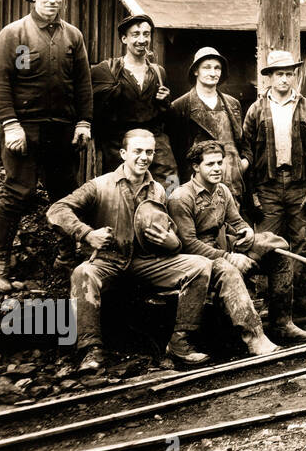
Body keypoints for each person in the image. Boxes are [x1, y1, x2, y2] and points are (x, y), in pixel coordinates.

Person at [47, 129, 213, 371]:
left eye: (149, 152)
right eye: (137, 151)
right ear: (123, 153)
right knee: (83, 273)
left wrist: (171, 241)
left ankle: (179, 342)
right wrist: (87, 234)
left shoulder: (158, 190)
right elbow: (57, 210)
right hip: (109, 261)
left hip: (147, 262)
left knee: (200, 265)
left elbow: (173, 236)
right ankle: (91, 350)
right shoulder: (100, 185)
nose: (144, 157)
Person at [0, 0, 93, 292]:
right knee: (20, 191)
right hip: (25, 129)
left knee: (65, 193)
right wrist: (10, 124)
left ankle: (66, 255)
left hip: (61, 130)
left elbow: (83, 84)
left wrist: (84, 122)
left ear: (64, 0)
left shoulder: (73, 36)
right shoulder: (14, 34)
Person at [167, 140, 292, 352]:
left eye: (220, 163)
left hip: (222, 246)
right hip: (198, 260)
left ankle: (282, 323)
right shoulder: (181, 197)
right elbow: (188, 244)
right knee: (229, 270)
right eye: (210, 164)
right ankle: (255, 338)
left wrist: (247, 231)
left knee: (277, 251)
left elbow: (236, 222)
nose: (217, 169)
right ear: (196, 167)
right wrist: (229, 257)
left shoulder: (222, 190)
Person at [240, 50, 306, 302]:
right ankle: (271, 298)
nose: (285, 79)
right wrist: (253, 193)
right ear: (269, 77)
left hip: (299, 185)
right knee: (267, 243)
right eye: (279, 74)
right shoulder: (256, 110)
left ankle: (301, 298)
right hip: (268, 186)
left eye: (289, 74)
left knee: (302, 243)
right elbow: (247, 152)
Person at [90, 14, 176, 182]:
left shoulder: (158, 72)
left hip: (153, 137)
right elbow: (94, 108)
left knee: (170, 179)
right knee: (120, 185)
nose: (142, 39)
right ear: (124, 38)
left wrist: (165, 101)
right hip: (119, 140)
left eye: (146, 34)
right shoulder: (108, 70)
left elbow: (164, 117)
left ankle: (165, 207)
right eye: (135, 34)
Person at [168, 47, 248, 203]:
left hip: (233, 184)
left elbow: (243, 143)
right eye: (207, 67)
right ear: (196, 71)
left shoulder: (233, 105)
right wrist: (173, 188)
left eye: (217, 68)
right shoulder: (180, 106)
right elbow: (173, 153)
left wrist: (242, 164)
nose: (213, 72)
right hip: (198, 186)